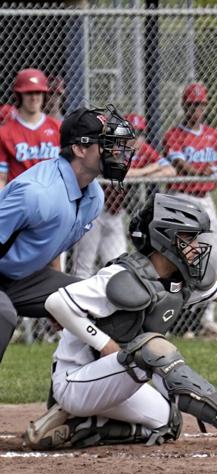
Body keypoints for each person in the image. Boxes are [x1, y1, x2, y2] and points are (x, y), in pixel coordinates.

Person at [23, 193, 217, 453]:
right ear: (167, 239)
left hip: (112, 377)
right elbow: (57, 302)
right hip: (74, 381)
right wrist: (104, 343)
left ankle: (80, 426)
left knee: (168, 423)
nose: (197, 248)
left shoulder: (177, 281)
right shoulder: (121, 277)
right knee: (153, 348)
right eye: (189, 239)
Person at [0, 106, 135, 363]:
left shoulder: (94, 196)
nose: (117, 152)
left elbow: (51, 245)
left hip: (19, 278)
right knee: (3, 313)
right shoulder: (37, 193)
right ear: (79, 148)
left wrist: (60, 303)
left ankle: (72, 394)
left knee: (93, 299)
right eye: (107, 144)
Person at [164, 82, 217, 336]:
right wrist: (197, 171)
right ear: (184, 105)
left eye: (200, 105)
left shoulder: (213, 135)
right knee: (180, 260)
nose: (196, 109)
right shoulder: (174, 134)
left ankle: (206, 318)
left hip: (204, 199)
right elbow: (179, 164)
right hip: (180, 198)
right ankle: (174, 318)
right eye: (192, 104)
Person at [71, 113, 176, 278]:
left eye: (140, 134)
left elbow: (170, 171)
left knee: (117, 268)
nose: (135, 138)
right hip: (93, 213)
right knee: (84, 267)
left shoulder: (144, 150)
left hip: (115, 214)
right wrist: (149, 170)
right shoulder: (111, 146)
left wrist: (142, 173)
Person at [0, 68, 61, 189]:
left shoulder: (57, 127)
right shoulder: (5, 133)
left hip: (53, 195)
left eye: (37, 92)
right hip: (21, 197)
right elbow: (1, 177)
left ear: (44, 94)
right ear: (19, 95)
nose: (34, 98)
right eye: (28, 93)